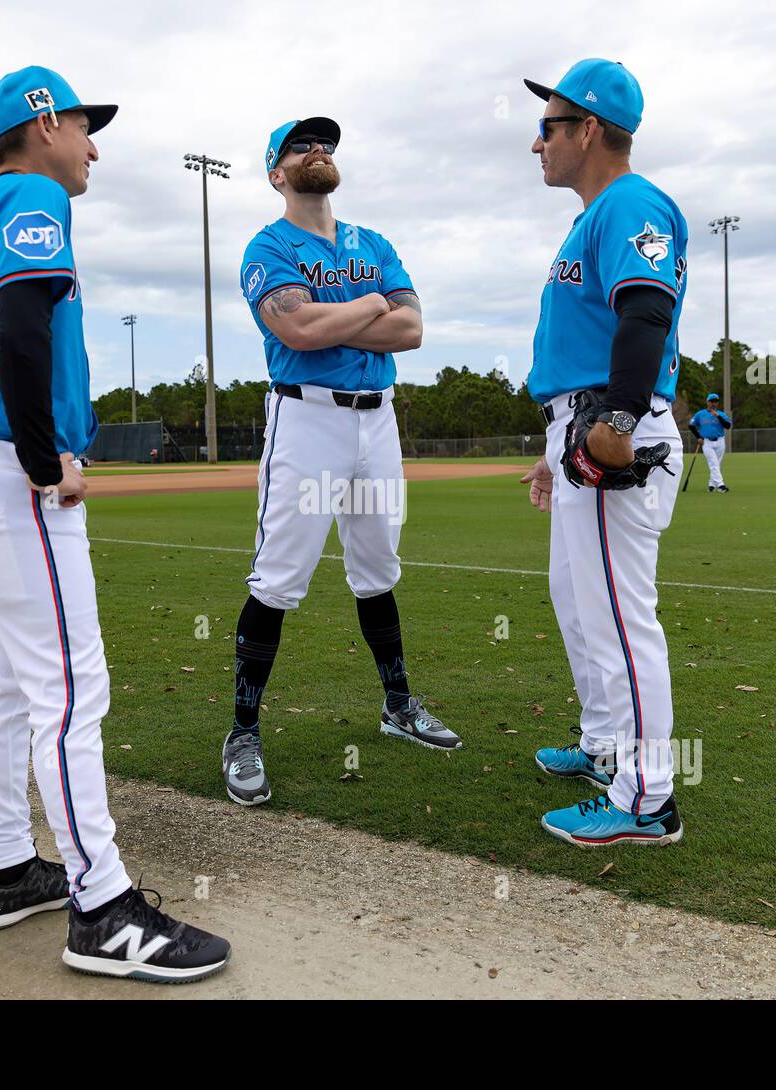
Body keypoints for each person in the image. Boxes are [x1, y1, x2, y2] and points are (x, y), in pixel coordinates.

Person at [0, 65, 229, 982]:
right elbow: (22, 330)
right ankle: (102, 911)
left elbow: (4, 328)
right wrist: (40, 459)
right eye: (82, 125)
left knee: (3, 686)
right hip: (14, 479)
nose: (92, 144)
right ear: (41, 124)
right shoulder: (28, 194)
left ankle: (9, 868)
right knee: (68, 692)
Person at [224, 116, 462, 807]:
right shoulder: (269, 245)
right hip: (306, 420)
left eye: (322, 142)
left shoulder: (373, 242)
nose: (315, 150)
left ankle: (397, 706)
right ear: (277, 172)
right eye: (300, 145)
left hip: (376, 420)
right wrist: (367, 305)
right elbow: (294, 328)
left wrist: (334, 313)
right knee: (278, 579)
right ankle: (242, 733)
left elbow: (412, 329)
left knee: (379, 569)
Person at [519, 58, 687, 846]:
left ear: (589, 129)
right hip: (581, 426)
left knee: (623, 619)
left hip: (618, 431)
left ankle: (648, 798)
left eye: (549, 126)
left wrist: (614, 421)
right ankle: (603, 745)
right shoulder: (598, 214)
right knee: (580, 605)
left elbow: (647, 312)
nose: (538, 142)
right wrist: (556, 447)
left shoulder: (630, 202)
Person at [688, 392, 731, 491]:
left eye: (716, 401)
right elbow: (691, 425)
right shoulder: (700, 414)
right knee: (714, 463)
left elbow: (727, 426)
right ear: (707, 402)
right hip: (707, 442)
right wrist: (698, 437)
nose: (714, 403)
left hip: (720, 441)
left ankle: (711, 485)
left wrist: (718, 416)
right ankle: (721, 485)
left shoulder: (722, 414)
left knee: (717, 464)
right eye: (712, 401)